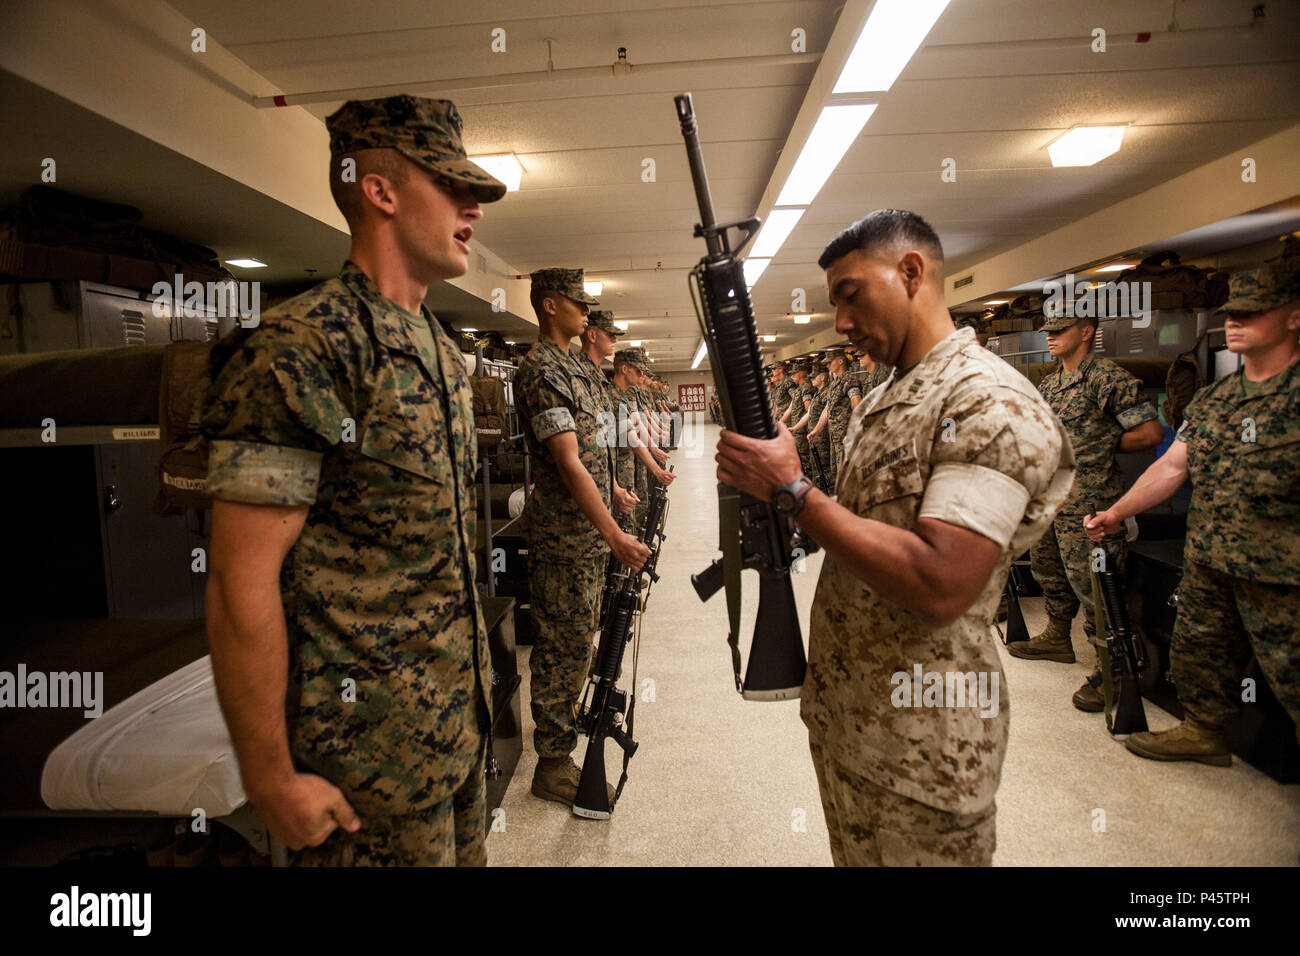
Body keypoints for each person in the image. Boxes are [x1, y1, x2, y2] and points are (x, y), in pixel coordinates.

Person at [715, 209, 1073, 865]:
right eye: (834, 304)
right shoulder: (888, 397)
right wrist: (780, 509)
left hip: (927, 753)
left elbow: (940, 583)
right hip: (852, 721)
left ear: (911, 273)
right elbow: (864, 528)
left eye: (852, 295)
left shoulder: (986, 402)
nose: (842, 322)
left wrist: (797, 492)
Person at [202, 95, 506, 866]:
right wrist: (269, 778)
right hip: (364, 775)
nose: (473, 206)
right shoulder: (302, 348)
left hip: (458, 742)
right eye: (452, 185)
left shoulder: (440, 351)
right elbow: (242, 583)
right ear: (380, 192)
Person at [1086, 266, 1300, 764]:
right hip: (1209, 558)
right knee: (1200, 652)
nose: (1235, 323)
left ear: (1293, 318)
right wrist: (1116, 512)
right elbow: (1170, 468)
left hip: (1283, 571)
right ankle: (1204, 731)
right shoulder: (1213, 400)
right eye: (1231, 314)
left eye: (1252, 312)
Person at [514, 269, 650, 806]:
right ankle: (550, 762)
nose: (587, 313)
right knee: (561, 645)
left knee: (581, 640)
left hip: (588, 531)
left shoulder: (574, 366)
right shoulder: (541, 369)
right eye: (578, 303)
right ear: (550, 306)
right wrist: (616, 534)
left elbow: (596, 448)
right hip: (564, 537)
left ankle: (564, 734)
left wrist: (615, 489)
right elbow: (569, 463)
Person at [1008, 310, 1163, 712]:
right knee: (1050, 569)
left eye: (1059, 331)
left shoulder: (1106, 378)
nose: (1050, 338)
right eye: (1048, 332)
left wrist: (1097, 448)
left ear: (1086, 332)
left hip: (1090, 500)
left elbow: (1149, 433)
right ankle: (1058, 635)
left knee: (1093, 584)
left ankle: (1109, 668)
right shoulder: (1054, 382)